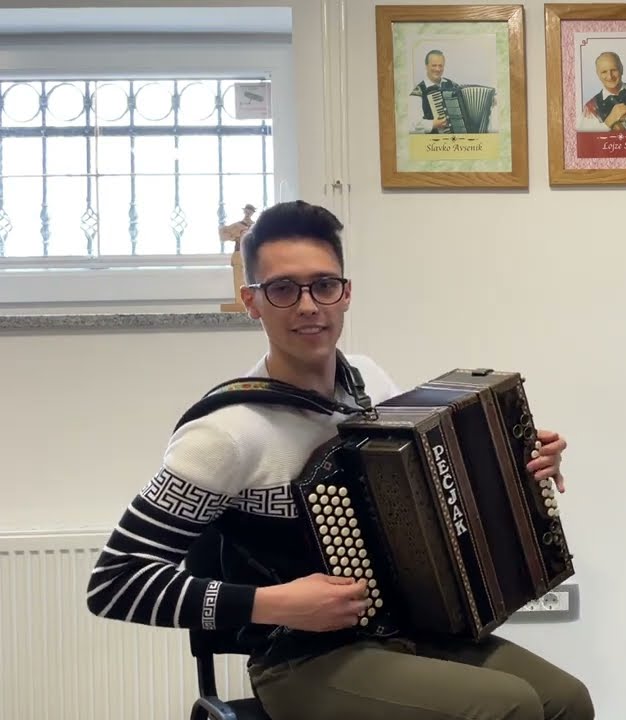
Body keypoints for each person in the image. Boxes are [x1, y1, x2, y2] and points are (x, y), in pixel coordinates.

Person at [85, 200, 594, 720]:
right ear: (251, 302)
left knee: (567, 701)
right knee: (507, 709)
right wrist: (274, 603)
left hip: (411, 632)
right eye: (283, 289)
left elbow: (433, 496)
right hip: (300, 661)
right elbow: (115, 581)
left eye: (324, 285)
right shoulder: (227, 432)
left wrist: (517, 463)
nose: (308, 306)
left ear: (346, 293)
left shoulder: (368, 381)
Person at [577, 51, 626, 132]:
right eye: (604, 72)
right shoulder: (591, 107)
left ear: (621, 69)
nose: (610, 76)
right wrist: (609, 121)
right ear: (598, 74)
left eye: (614, 70)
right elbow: (587, 140)